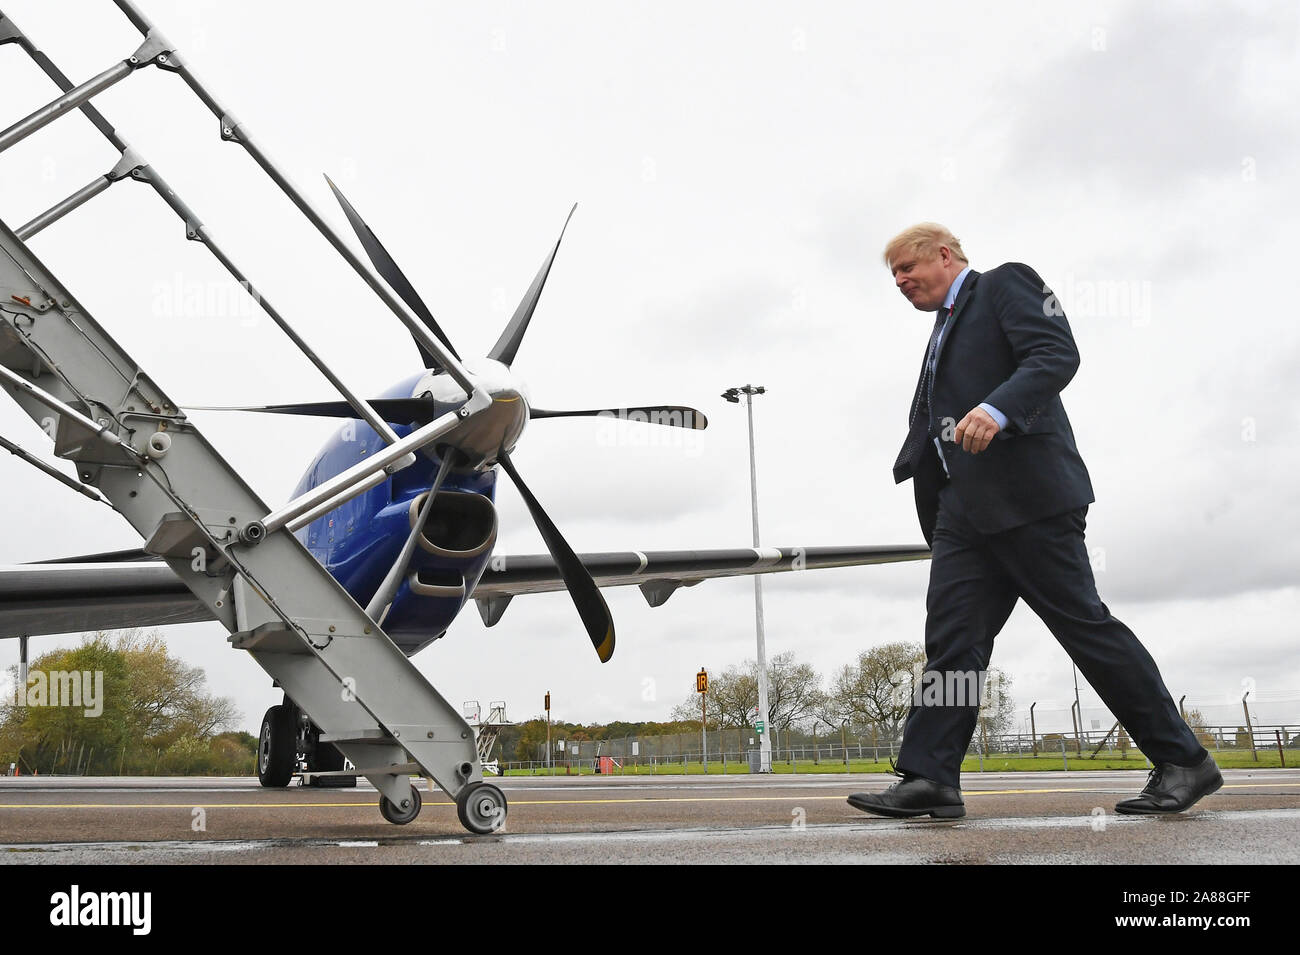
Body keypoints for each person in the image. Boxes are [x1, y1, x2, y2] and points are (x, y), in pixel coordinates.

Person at [848, 223, 1219, 819]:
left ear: (945, 255)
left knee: (1084, 628)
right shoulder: (941, 329)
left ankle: (1185, 761)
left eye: (906, 267)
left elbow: (1055, 353)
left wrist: (997, 409)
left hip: (1029, 499)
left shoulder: (1003, 285)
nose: (899, 281)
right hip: (962, 513)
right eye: (892, 275)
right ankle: (931, 779)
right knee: (952, 647)